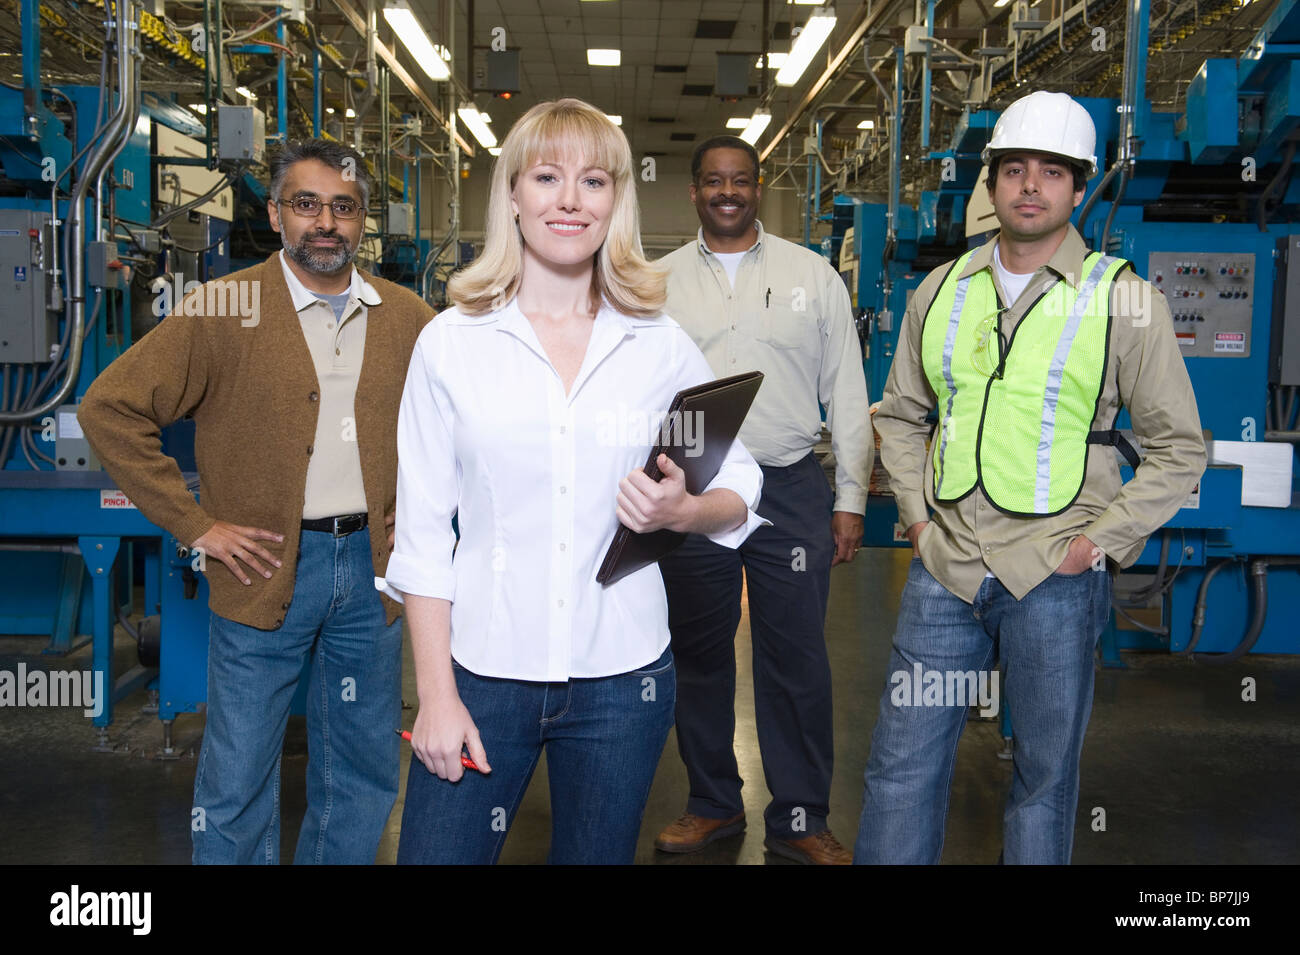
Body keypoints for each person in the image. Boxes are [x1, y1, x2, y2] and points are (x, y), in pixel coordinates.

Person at [380, 98, 766, 865]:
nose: (568, 199)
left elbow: (742, 473)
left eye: (593, 181)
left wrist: (686, 508)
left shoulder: (654, 345)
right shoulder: (452, 345)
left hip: (623, 679)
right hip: (484, 673)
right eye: (547, 177)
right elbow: (422, 535)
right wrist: (437, 694)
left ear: (614, 203)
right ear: (513, 195)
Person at [855, 90, 1207, 864]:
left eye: (1052, 172)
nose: (1029, 186)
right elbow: (900, 415)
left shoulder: (1125, 301)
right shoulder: (939, 291)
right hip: (945, 571)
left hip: (1054, 575)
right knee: (902, 765)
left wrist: (1098, 544)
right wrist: (915, 516)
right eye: (1013, 169)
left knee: (1044, 777)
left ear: (1078, 189)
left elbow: (1180, 450)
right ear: (991, 183)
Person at [79, 139, 434, 863]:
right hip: (261, 570)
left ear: (364, 220)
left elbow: (454, 434)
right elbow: (108, 406)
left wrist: (420, 523)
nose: (325, 222)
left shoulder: (408, 318)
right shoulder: (223, 308)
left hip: (375, 578)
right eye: (306, 204)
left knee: (364, 769)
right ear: (275, 213)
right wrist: (196, 524)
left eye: (343, 206)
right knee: (238, 775)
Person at [652, 136, 872, 864]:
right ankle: (712, 802)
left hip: (788, 486)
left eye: (740, 181)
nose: (727, 192)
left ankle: (802, 816)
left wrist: (849, 498)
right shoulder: (655, 284)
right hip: (693, 487)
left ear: (758, 187)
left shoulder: (814, 276)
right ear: (693, 192)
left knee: (797, 658)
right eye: (713, 181)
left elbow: (846, 391)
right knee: (699, 653)